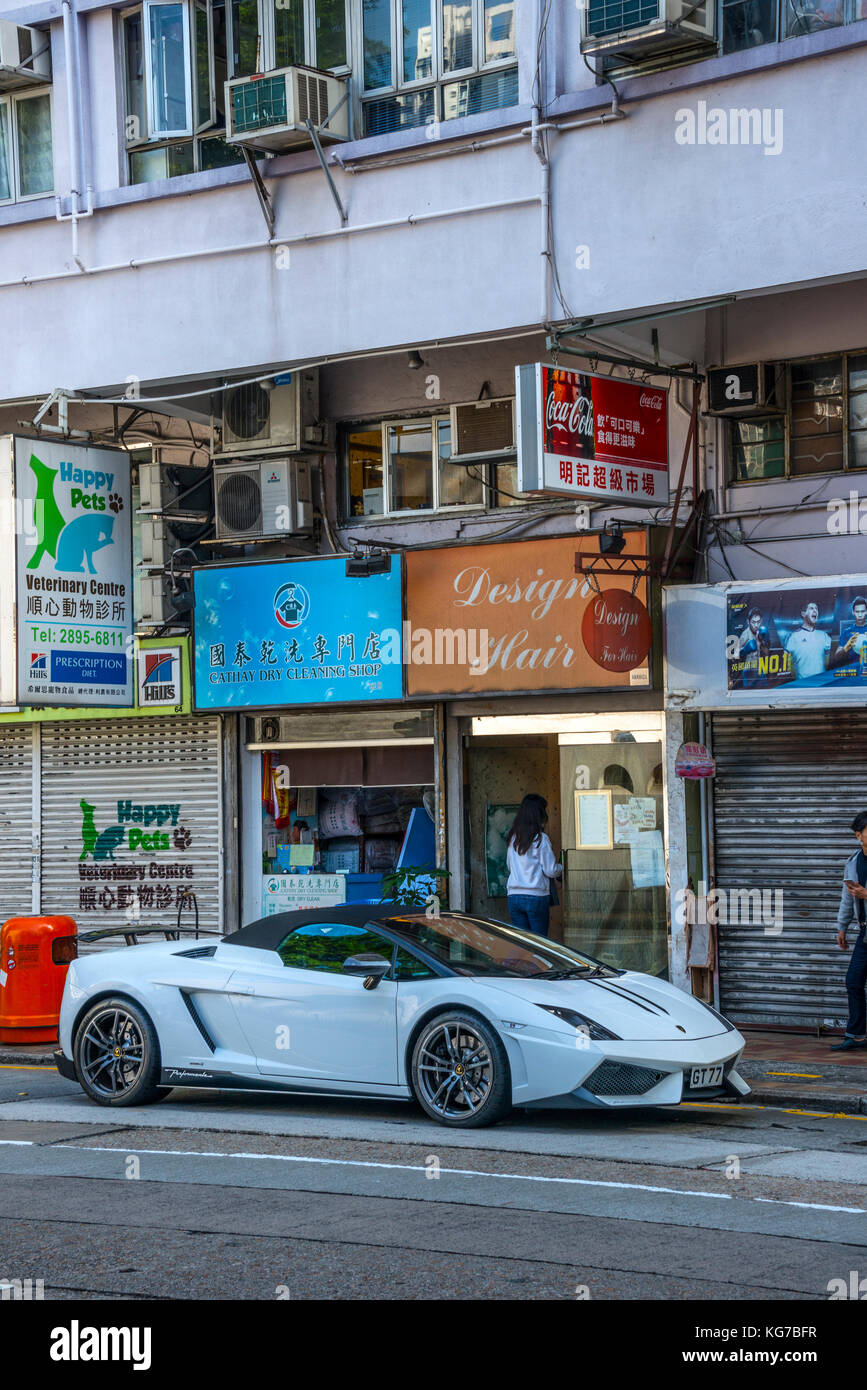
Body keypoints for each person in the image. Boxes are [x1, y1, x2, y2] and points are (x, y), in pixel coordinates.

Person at [832, 810, 867, 1050]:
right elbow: (847, 899)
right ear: (859, 835)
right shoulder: (854, 861)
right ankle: (856, 1035)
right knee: (853, 981)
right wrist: (842, 927)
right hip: (864, 932)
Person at [505, 794, 562, 938]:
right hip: (536, 896)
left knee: (523, 943)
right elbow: (551, 870)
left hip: (514, 897)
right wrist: (562, 867)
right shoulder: (540, 839)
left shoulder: (513, 838)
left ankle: (517, 961)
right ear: (540, 814)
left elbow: (509, 867)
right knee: (539, 944)